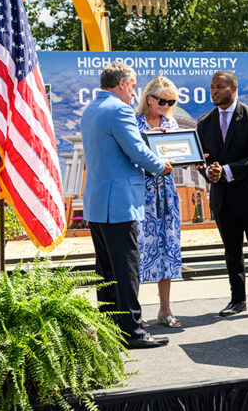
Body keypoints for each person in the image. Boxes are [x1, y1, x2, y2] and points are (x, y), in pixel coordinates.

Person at [81, 61, 173, 348]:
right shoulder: (119, 110)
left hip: (98, 203)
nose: (134, 93)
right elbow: (136, 150)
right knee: (127, 270)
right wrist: (161, 166)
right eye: (133, 86)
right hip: (119, 203)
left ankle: (109, 328)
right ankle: (133, 332)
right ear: (121, 83)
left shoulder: (91, 109)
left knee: (107, 271)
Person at [196, 70, 248, 319]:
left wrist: (226, 171)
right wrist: (208, 173)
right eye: (212, 87)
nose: (214, 91)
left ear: (233, 88)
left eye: (219, 87)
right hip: (223, 200)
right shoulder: (204, 122)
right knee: (232, 253)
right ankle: (237, 300)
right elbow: (201, 160)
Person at [135, 77, 183, 328]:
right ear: (149, 99)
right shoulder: (134, 123)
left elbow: (179, 154)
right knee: (140, 250)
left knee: (168, 249)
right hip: (142, 194)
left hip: (167, 193)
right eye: (162, 101)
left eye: (171, 102)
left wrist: (190, 155)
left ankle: (165, 310)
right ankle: (136, 311)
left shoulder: (172, 123)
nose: (166, 106)